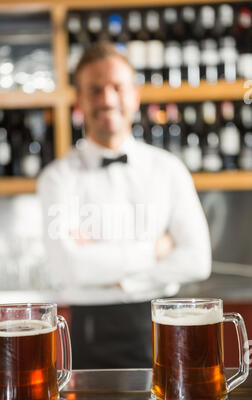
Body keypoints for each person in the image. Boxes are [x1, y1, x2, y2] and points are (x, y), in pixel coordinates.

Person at [37, 42, 212, 369]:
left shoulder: (169, 168)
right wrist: (153, 250)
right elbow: (67, 267)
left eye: (117, 87)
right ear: (79, 101)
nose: (107, 99)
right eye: (94, 89)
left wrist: (118, 278)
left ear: (135, 95)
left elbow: (197, 260)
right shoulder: (56, 179)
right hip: (91, 330)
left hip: (167, 322)